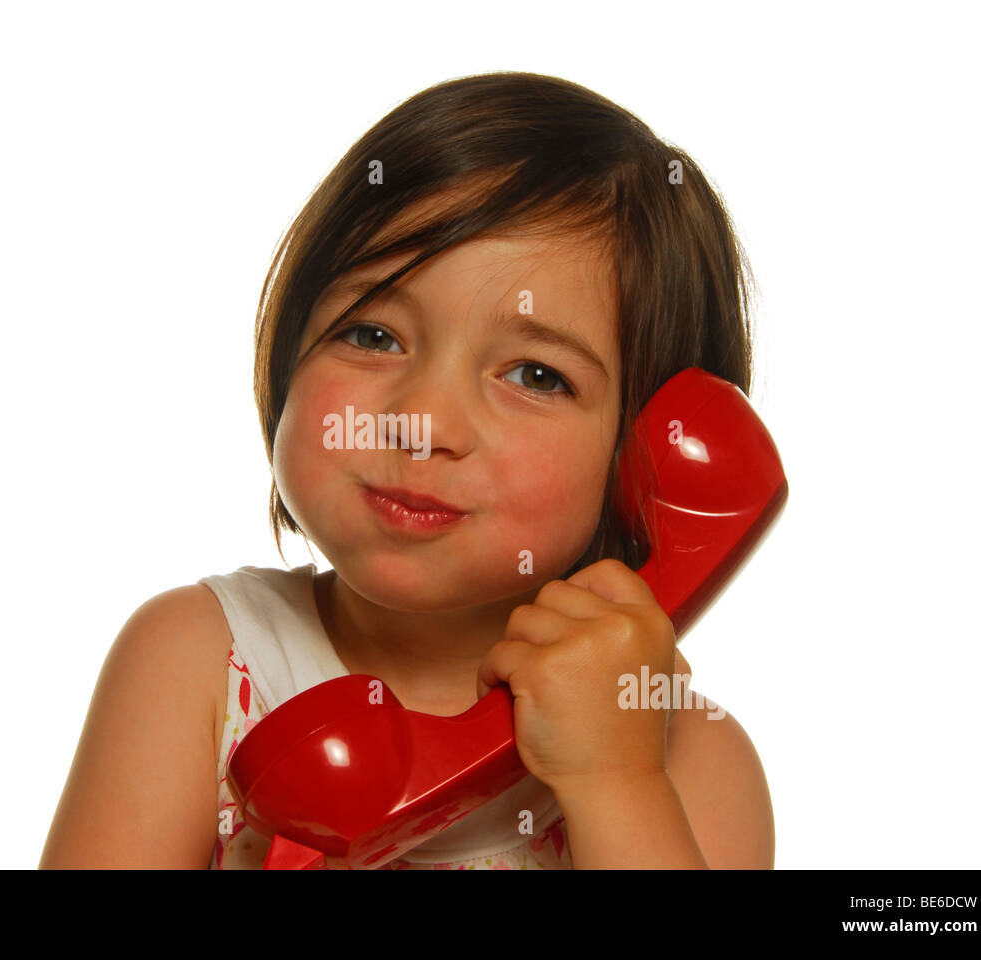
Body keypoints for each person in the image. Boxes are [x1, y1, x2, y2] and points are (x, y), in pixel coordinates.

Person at [39, 71, 776, 870]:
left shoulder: (686, 756)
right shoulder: (197, 665)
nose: (421, 422)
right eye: (374, 334)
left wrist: (616, 782)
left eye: (534, 375)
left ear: (648, 458)